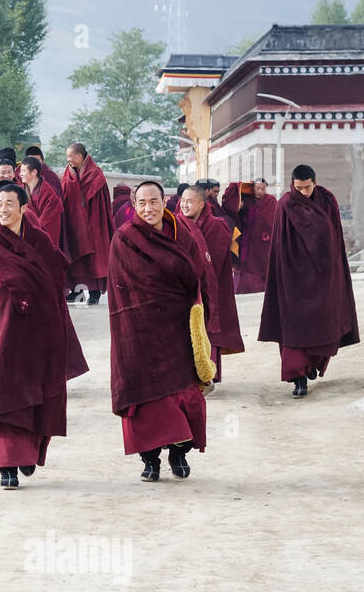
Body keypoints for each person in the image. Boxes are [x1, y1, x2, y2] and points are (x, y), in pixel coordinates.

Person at [0, 183, 87, 489]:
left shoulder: (39, 241)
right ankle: (6, 466)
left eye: (9, 204)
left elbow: (53, 283)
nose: (3, 209)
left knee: (33, 392)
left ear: (24, 208)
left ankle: (26, 455)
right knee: (0, 393)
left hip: (35, 331)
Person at [109, 181, 213, 482]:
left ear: (164, 201)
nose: (148, 209)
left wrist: (199, 312)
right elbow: (119, 290)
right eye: (142, 203)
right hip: (139, 329)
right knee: (147, 398)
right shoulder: (124, 239)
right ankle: (150, 459)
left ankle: (179, 451)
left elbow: (198, 275)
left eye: (153, 202)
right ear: (134, 204)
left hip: (176, 325)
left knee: (182, 393)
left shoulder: (182, 234)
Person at [258, 165, 360, 398]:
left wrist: (334, 272)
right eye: (298, 188)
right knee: (295, 329)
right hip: (293, 277)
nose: (303, 192)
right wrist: (282, 276)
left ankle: (313, 364)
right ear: (292, 184)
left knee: (324, 323)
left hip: (323, 275)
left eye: (307, 187)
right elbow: (280, 245)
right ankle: (298, 378)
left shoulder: (327, 200)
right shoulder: (285, 204)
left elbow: (334, 238)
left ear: (315, 182)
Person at [177, 185, 243, 383]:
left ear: (201, 203)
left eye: (190, 201)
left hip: (211, 287)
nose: (185, 205)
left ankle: (209, 373)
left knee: (209, 329)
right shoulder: (175, 223)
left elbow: (214, 260)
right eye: (183, 201)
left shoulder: (217, 226)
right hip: (185, 286)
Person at [62, 142, 111, 304]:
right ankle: (77, 292)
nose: (68, 160)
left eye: (70, 157)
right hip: (74, 223)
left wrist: (95, 223)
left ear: (79, 156)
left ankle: (95, 293)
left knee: (94, 259)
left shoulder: (96, 175)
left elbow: (102, 204)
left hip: (94, 222)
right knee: (75, 259)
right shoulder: (68, 173)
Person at [223, 177, 276, 294]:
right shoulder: (247, 201)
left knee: (263, 266)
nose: (260, 191)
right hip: (248, 240)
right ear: (253, 189)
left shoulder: (271, 201)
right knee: (247, 266)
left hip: (264, 242)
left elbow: (273, 220)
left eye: (263, 188)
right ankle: (246, 289)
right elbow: (233, 208)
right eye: (257, 188)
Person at [20, 155, 63, 253]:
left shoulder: (49, 194)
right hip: (23, 234)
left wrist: (33, 232)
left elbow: (48, 222)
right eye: (20, 171)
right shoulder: (20, 190)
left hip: (42, 237)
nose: (20, 174)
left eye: (23, 171)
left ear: (34, 172)